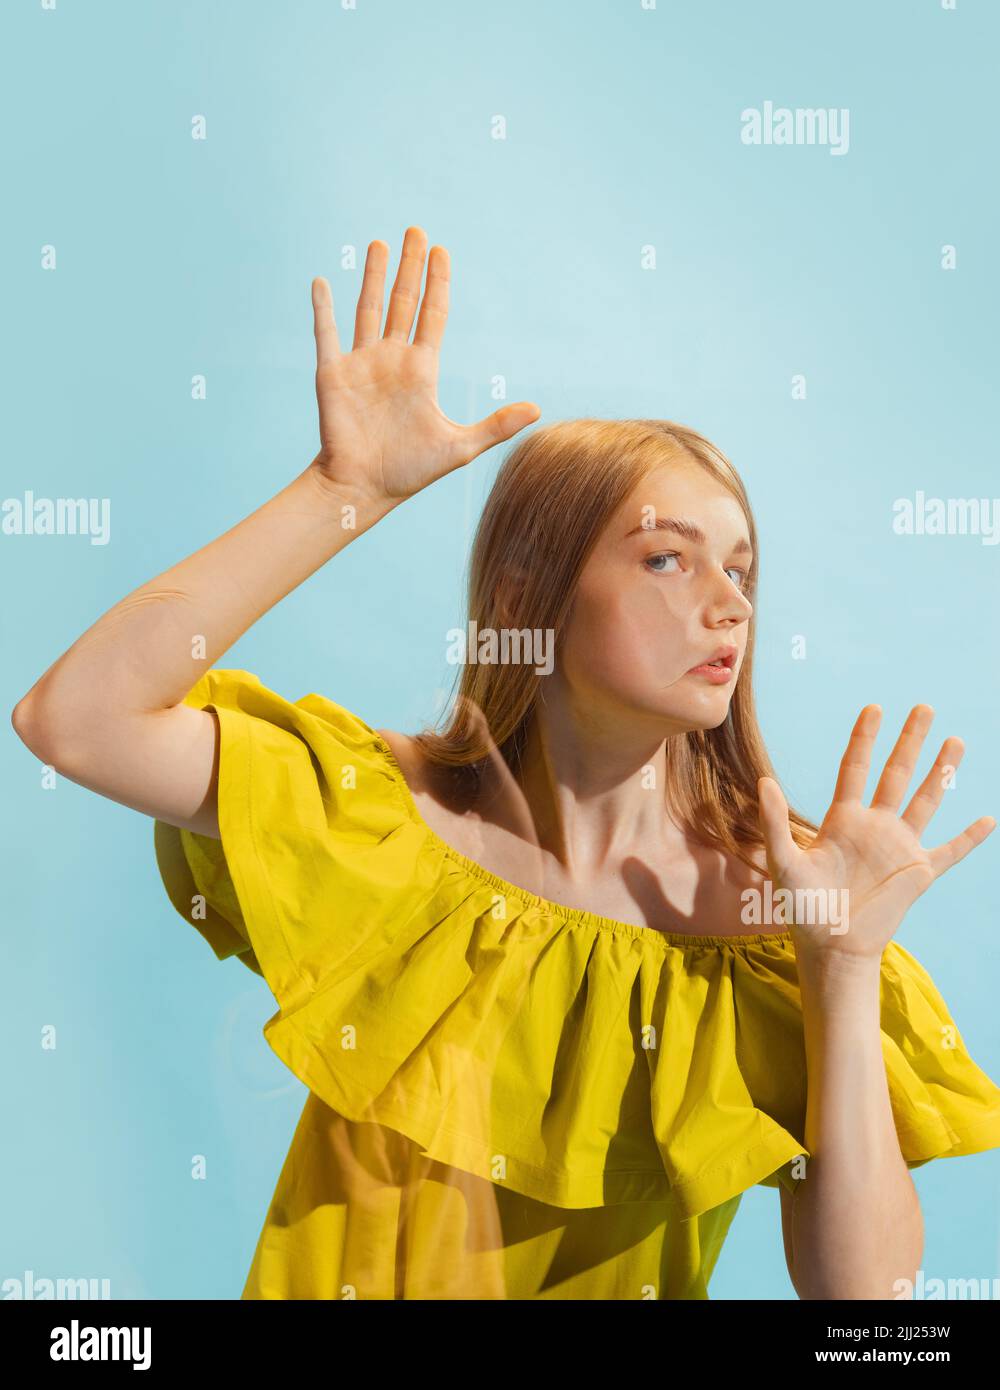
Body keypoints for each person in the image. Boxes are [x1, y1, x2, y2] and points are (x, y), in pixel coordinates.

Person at [12, 226, 1000, 1301]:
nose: (729, 602)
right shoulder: (373, 821)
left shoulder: (783, 924)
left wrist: (843, 972)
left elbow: (864, 1306)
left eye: (742, 566)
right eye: (667, 557)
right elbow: (76, 720)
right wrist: (345, 491)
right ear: (534, 592)